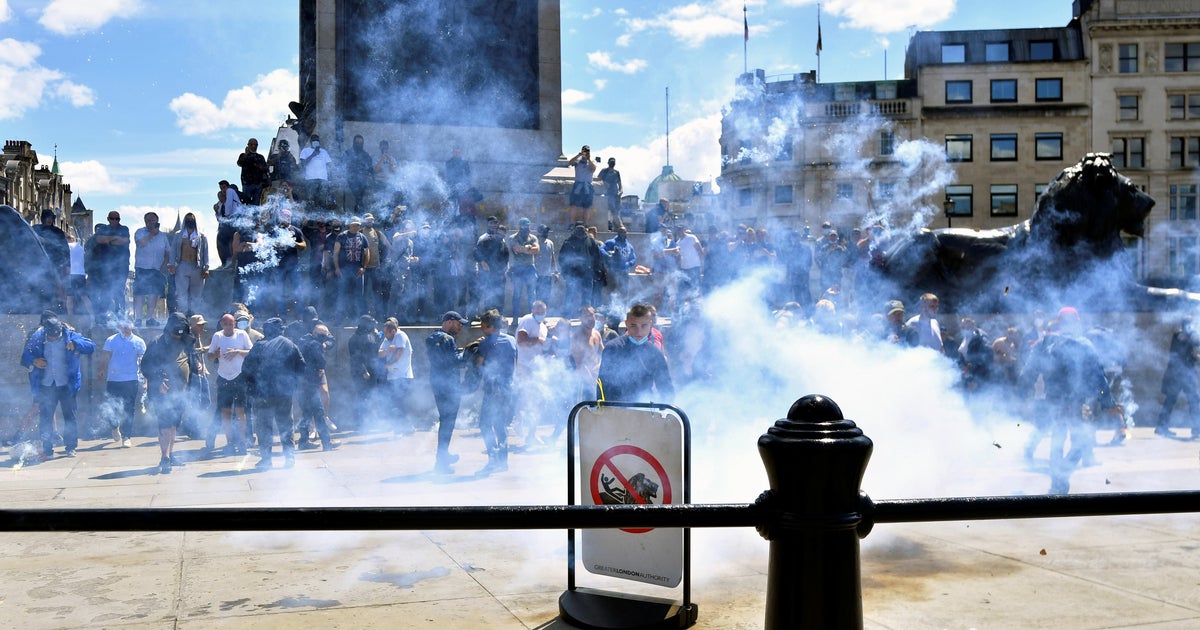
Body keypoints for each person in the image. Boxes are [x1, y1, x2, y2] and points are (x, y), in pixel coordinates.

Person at [1020, 307, 1114, 494]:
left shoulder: (1044, 342)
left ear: (1059, 322)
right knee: (1082, 439)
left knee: (1058, 437)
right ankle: (1062, 473)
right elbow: (1098, 376)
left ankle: (1058, 479)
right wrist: (1107, 403)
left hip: (1054, 398)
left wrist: (1023, 394)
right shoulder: (1084, 343)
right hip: (1074, 401)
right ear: (1077, 321)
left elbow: (1029, 370)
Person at [21, 314, 96, 459]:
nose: (53, 338)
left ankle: (71, 447)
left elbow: (91, 346)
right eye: (50, 336)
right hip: (46, 385)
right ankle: (47, 449)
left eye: (56, 335)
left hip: (66, 385)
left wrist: (76, 344)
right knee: (46, 418)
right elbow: (25, 356)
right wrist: (34, 360)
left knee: (70, 417)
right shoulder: (37, 337)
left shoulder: (71, 336)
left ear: (60, 329)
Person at [140, 313, 200, 474]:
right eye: (177, 327)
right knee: (165, 425)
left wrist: (197, 366)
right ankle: (164, 458)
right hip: (163, 393)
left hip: (182, 392)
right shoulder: (157, 343)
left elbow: (190, 359)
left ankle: (170, 455)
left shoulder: (187, 341)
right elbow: (146, 366)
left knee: (174, 425)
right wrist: (159, 380)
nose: (180, 331)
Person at [242, 317, 305, 469]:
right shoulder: (290, 344)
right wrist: (292, 383)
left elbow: (246, 369)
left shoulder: (259, 346)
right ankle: (289, 459)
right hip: (284, 393)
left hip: (262, 394)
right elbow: (302, 366)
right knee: (286, 427)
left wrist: (251, 387)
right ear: (280, 329)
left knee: (264, 428)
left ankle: (266, 460)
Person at [595, 303, 673, 403]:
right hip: (617, 410)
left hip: (645, 409)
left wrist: (665, 412)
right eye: (633, 325)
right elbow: (602, 384)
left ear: (650, 325)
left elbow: (666, 387)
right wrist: (606, 411)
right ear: (626, 324)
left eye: (643, 326)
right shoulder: (613, 348)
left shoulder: (655, 353)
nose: (638, 331)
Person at [471, 309, 517, 474]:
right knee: (500, 425)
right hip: (508, 387)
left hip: (493, 389)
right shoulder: (512, 340)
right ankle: (503, 461)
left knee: (484, 424)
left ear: (489, 326)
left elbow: (479, 364)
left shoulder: (486, 343)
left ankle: (493, 458)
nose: (482, 328)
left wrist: (477, 349)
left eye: (483, 325)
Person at [426, 311, 469, 474]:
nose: (460, 327)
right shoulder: (448, 339)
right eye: (459, 324)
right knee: (447, 423)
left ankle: (443, 456)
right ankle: (441, 461)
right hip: (449, 387)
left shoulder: (434, 337)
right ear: (450, 322)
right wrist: (468, 353)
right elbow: (453, 362)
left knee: (446, 422)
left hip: (438, 385)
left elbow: (444, 360)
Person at [208, 313, 253, 455]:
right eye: (225, 323)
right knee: (225, 411)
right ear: (222, 324)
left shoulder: (242, 335)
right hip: (223, 377)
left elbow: (251, 352)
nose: (228, 326)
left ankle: (242, 441)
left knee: (241, 411)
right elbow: (210, 356)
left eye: (231, 323)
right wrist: (215, 354)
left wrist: (238, 352)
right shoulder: (217, 336)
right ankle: (230, 442)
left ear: (235, 323)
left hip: (239, 376)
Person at [96, 319, 145, 448]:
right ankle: (114, 426)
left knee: (129, 409)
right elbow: (105, 357)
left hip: (131, 380)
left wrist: (145, 380)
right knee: (113, 408)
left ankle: (127, 436)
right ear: (120, 326)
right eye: (124, 325)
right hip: (114, 379)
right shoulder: (111, 340)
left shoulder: (139, 342)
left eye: (129, 325)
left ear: (133, 326)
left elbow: (142, 362)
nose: (126, 328)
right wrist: (101, 370)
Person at [1155, 316, 1200, 439]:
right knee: (1193, 401)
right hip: (1182, 374)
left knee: (1172, 400)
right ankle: (1196, 429)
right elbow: (1190, 352)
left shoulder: (1184, 336)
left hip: (1179, 374)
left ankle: (1161, 426)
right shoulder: (1181, 336)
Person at [296, 321, 339, 451]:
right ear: (316, 334)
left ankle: (303, 441)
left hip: (299, 383)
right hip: (310, 383)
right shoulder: (315, 344)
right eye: (323, 336)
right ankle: (327, 443)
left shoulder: (303, 340)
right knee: (319, 413)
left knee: (306, 413)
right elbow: (321, 361)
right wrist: (320, 368)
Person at [514, 300, 550, 445]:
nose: (540, 314)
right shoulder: (527, 320)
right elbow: (521, 340)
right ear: (533, 310)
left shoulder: (543, 327)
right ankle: (519, 421)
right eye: (538, 312)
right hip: (524, 366)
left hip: (536, 367)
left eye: (543, 312)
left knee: (539, 400)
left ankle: (531, 434)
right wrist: (538, 340)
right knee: (528, 398)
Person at [132, 212, 170, 327]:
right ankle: (138, 318)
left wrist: (164, 266)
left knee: (154, 294)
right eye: (148, 220)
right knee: (139, 294)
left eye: (153, 220)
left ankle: (150, 318)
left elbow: (168, 252)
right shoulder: (140, 232)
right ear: (145, 221)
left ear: (157, 221)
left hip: (157, 269)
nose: (151, 222)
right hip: (142, 268)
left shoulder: (163, 236)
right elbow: (140, 244)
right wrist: (152, 234)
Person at [378, 318, 415, 435]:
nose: (384, 335)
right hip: (392, 376)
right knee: (396, 402)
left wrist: (387, 364)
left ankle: (404, 427)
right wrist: (388, 350)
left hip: (403, 375)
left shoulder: (400, 335)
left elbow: (399, 354)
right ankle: (403, 427)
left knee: (399, 402)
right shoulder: (387, 339)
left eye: (386, 333)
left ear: (393, 331)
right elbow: (379, 354)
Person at [169, 212, 210, 315]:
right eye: (187, 219)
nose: (189, 221)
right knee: (182, 293)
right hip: (182, 265)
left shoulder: (201, 236)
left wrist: (206, 267)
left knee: (196, 293)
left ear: (195, 221)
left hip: (197, 266)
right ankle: (183, 315)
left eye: (191, 219)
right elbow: (173, 250)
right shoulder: (179, 235)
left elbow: (205, 252)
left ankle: (195, 315)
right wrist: (171, 264)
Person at [92, 211, 132, 319]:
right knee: (106, 290)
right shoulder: (103, 229)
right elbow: (99, 239)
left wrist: (107, 239)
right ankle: (102, 316)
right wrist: (114, 239)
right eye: (112, 218)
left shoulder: (124, 229)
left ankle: (120, 315)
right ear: (108, 219)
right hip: (106, 266)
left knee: (119, 290)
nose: (115, 221)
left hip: (121, 265)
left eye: (117, 219)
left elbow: (124, 240)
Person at [331, 216, 370, 323]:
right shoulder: (341, 236)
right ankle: (339, 318)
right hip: (344, 270)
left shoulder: (362, 237)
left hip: (358, 270)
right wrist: (337, 268)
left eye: (357, 225)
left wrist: (364, 267)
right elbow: (335, 253)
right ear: (349, 225)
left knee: (358, 295)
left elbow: (367, 253)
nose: (356, 226)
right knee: (342, 294)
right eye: (354, 225)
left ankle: (356, 319)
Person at [347, 315, 381, 430]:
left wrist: (377, 335)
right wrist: (363, 371)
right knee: (362, 397)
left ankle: (368, 421)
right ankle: (359, 423)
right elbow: (355, 358)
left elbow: (375, 349)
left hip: (371, 370)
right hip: (362, 372)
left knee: (370, 397)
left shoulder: (371, 335)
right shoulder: (355, 338)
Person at [558, 222, 597, 317]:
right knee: (570, 295)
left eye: (582, 228)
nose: (580, 231)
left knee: (587, 296)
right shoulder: (568, 242)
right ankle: (567, 316)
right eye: (578, 228)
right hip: (573, 274)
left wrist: (595, 270)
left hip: (587, 274)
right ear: (574, 230)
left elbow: (596, 256)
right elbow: (562, 258)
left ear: (585, 229)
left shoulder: (590, 241)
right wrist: (566, 272)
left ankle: (585, 316)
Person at [473, 216, 509, 317]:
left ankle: (498, 317)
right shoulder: (485, 240)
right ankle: (486, 318)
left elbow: (506, 258)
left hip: (499, 275)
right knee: (487, 296)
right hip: (487, 275)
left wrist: (505, 270)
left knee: (499, 297)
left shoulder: (502, 243)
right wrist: (482, 262)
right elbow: (476, 253)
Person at [507, 218, 540, 318]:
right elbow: (517, 249)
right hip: (517, 269)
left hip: (530, 268)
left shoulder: (533, 237)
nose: (526, 228)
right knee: (517, 295)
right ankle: (515, 318)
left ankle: (533, 317)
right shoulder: (513, 237)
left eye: (528, 226)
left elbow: (537, 250)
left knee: (532, 295)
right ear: (520, 226)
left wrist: (524, 249)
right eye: (524, 226)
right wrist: (529, 248)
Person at [298, 133, 333, 206]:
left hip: (323, 180)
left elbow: (329, 165)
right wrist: (313, 154)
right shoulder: (305, 151)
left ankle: (322, 216)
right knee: (311, 202)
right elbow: (303, 164)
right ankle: (310, 216)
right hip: (310, 180)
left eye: (317, 140)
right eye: (314, 140)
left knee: (323, 201)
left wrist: (330, 179)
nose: (316, 141)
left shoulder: (324, 152)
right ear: (311, 142)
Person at [602, 226, 636, 301]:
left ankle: (623, 308)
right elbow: (601, 249)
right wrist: (608, 256)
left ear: (626, 233)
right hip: (612, 272)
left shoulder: (629, 246)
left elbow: (633, 258)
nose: (622, 233)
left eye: (624, 232)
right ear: (618, 232)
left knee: (624, 293)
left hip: (624, 273)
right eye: (620, 231)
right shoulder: (611, 242)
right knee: (610, 292)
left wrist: (629, 263)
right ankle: (609, 308)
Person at [343, 134, 374, 213]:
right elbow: (342, 165)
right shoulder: (347, 153)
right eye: (357, 141)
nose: (359, 143)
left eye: (361, 142)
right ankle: (360, 212)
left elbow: (370, 167)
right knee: (358, 196)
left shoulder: (365, 155)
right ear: (354, 142)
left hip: (363, 179)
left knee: (359, 197)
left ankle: (358, 213)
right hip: (351, 179)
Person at [566, 145, 597, 224]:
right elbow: (570, 163)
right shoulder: (577, 160)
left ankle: (585, 225)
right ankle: (571, 224)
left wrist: (588, 159)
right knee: (573, 206)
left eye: (587, 151)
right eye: (584, 150)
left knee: (587, 207)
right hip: (578, 185)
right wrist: (578, 155)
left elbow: (593, 169)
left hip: (588, 186)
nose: (585, 152)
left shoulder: (592, 161)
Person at [533, 224, 558, 310]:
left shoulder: (550, 243)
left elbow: (552, 258)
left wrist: (555, 272)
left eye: (547, 231)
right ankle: (536, 314)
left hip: (547, 275)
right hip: (536, 275)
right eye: (544, 231)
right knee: (537, 297)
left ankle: (543, 315)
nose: (546, 233)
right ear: (539, 232)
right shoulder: (534, 243)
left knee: (546, 296)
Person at [237, 138, 270, 205]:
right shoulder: (243, 155)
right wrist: (246, 155)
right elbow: (239, 163)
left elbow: (265, 168)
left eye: (255, 145)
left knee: (256, 203)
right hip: (247, 183)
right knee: (247, 202)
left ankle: (255, 215)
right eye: (251, 144)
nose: (253, 146)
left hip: (258, 184)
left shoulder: (260, 157)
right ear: (248, 145)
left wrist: (259, 167)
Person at [65, 232, 90, 316]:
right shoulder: (80, 248)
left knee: (69, 298)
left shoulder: (67, 247)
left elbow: (67, 263)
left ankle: (70, 317)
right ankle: (92, 316)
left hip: (72, 274)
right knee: (84, 297)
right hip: (81, 274)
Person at [597, 157, 623, 230]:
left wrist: (621, 191)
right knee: (612, 208)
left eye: (613, 162)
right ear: (608, 163)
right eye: (611, 162)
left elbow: (620, 183)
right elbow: (598, 178)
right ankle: (618, 225)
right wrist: (604, 183)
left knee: (617, 209)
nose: (612, 163)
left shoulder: (616, 172)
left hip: (615, 193)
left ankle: (615, 226)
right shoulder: (604, 171)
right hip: (607, 193)